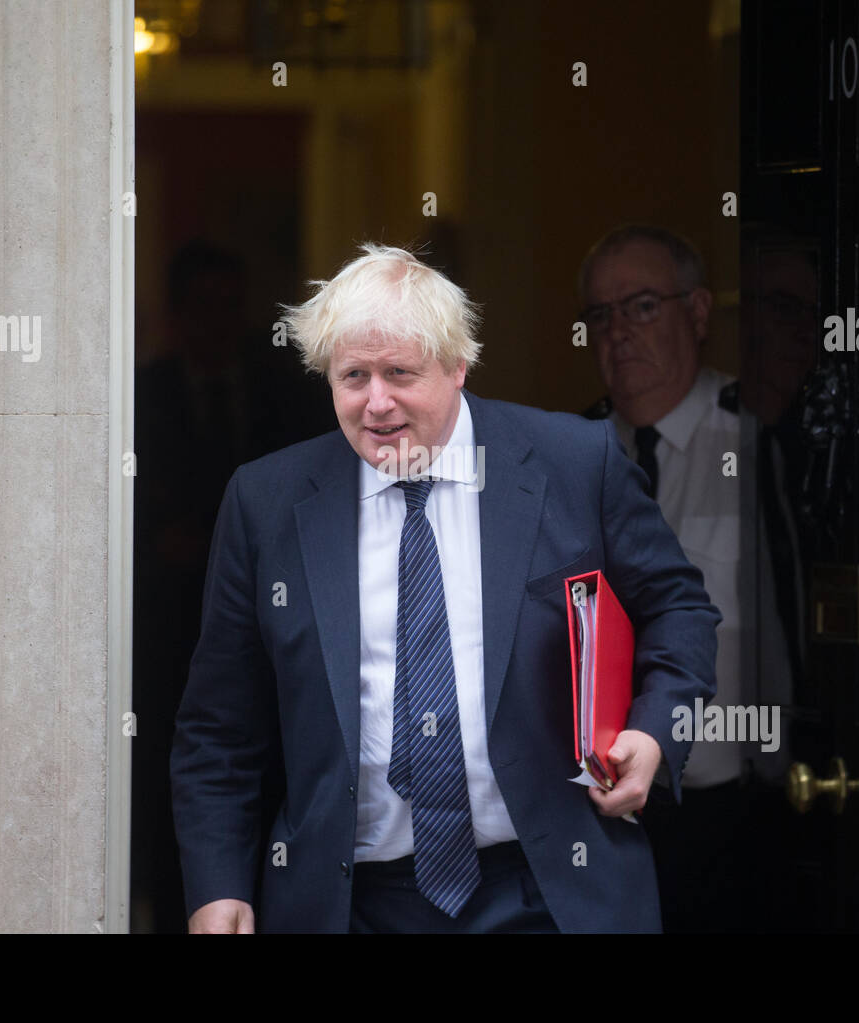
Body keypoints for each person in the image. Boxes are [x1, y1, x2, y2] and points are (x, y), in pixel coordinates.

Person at [170, 242, 720, 933]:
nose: (376, 403)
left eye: (400, 372)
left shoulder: (575, 461)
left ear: (458, 363)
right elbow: (219, 726)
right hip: (351, 903)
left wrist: (655, 730)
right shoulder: (267, 503)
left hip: (547, 891)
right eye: (353, 376)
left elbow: (679, 608)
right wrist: (217, 886)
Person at [579, 224, 792, 932]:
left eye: (642, 306)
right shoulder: (567, 455)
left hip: (736, 810)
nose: (618, 332)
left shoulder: (761, 437)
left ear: (698, 313)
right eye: (600, 315)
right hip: (598, 809)